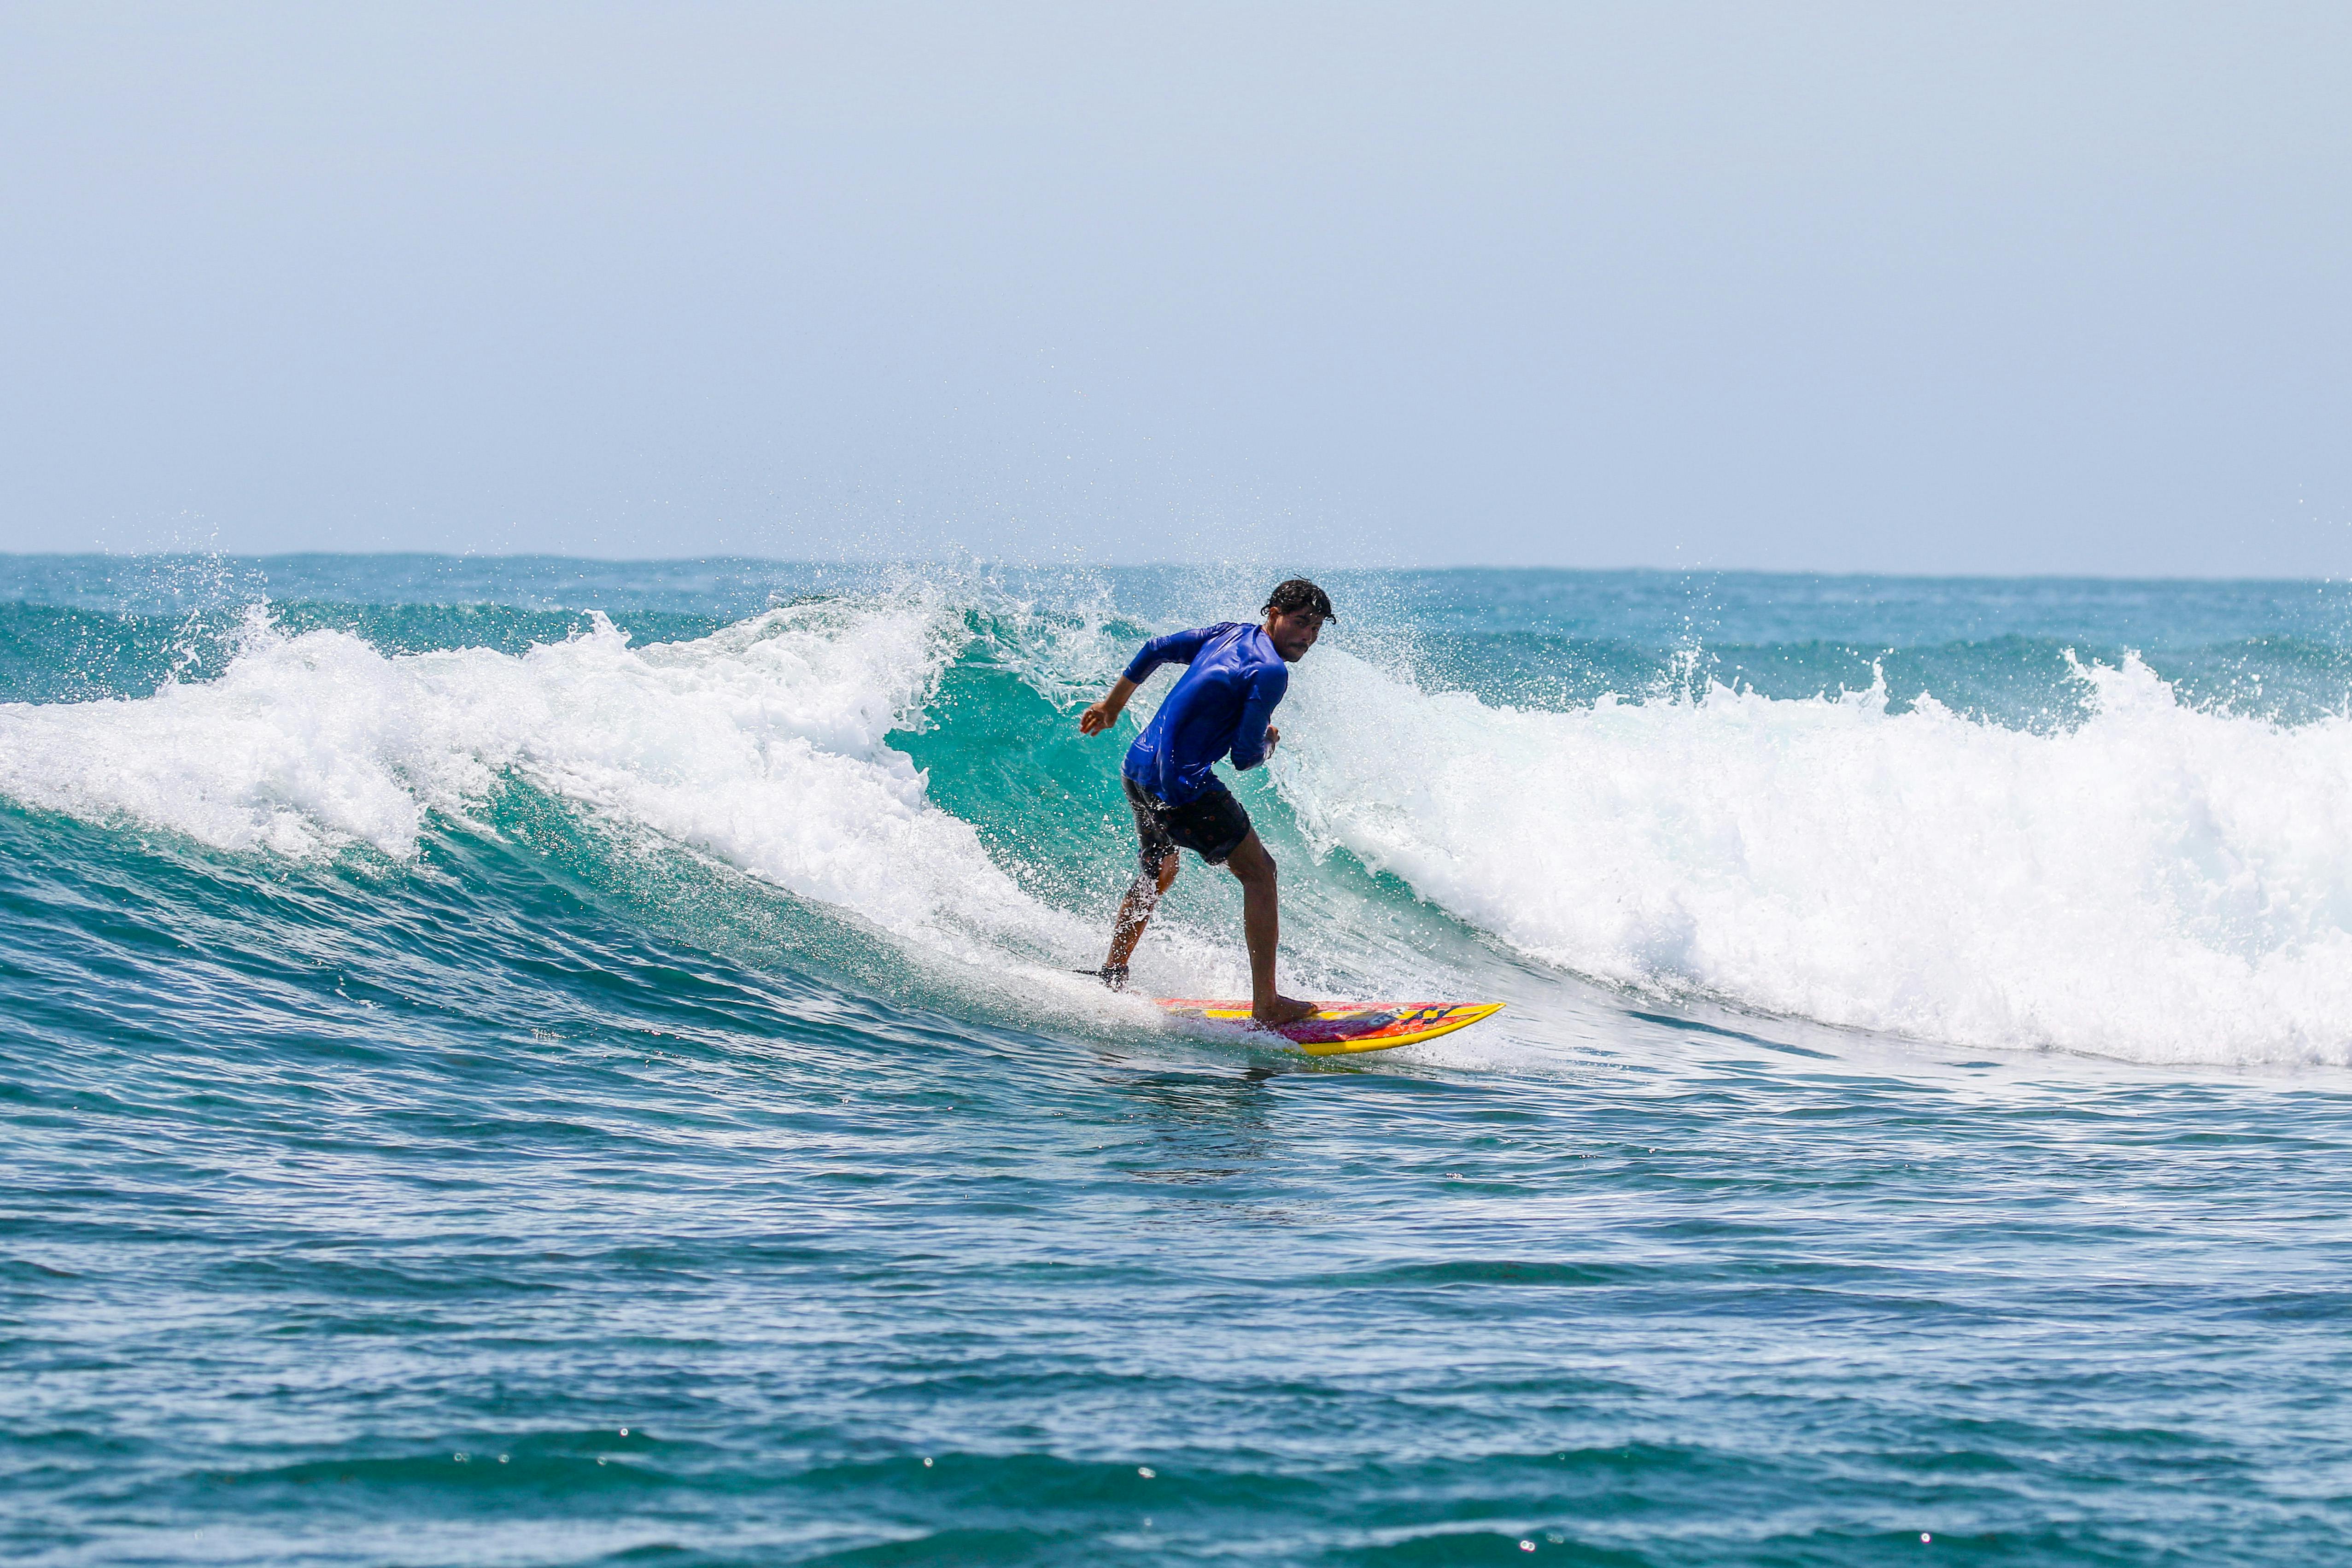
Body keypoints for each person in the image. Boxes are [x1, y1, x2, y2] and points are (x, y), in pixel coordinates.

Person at [1077, 578, 1334, 1025]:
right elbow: (1244, 756)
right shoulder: (1272, 671)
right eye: (1299, 623)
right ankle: (1267, 1004)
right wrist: (1269, 742)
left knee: (1159, 869)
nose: (1307, 637)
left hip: (1138, 768)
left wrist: (1113, 705)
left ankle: (1113, 971)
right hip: (1183, 787)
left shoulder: (1227, 634)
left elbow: (1155, 647)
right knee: (1260, 874)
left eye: (1315, 628)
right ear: (1273, 612)